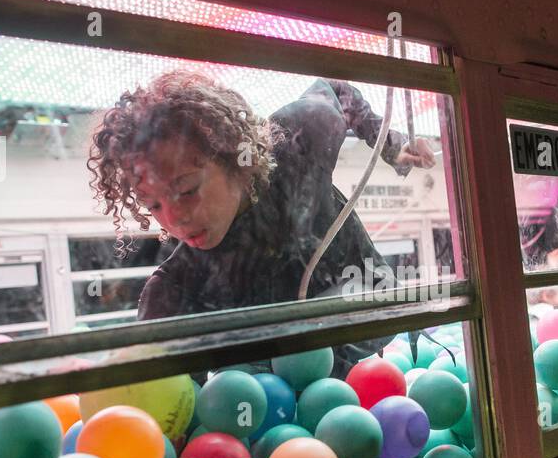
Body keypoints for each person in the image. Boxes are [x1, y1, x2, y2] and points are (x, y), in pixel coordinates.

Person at [88, 71, 435, 374]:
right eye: (153, 204)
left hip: (368, 294)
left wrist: (391, 145)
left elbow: (337, 89)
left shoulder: (301, 141)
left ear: (236, 163)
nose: (174, 219)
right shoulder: (173, 289)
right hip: (278, 411)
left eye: (187, 190)